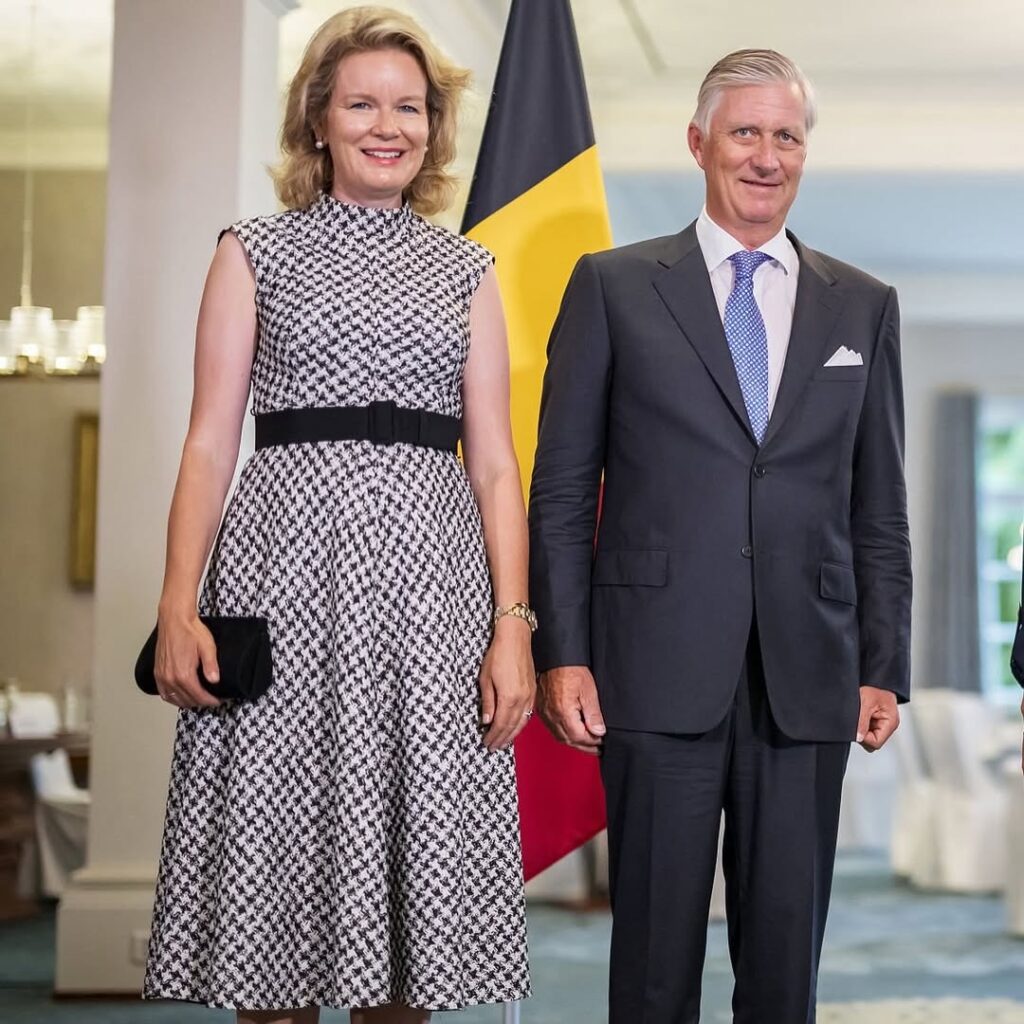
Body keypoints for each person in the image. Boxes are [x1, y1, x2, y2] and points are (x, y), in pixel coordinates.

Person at [142, 8, 533, 1023]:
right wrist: (178, 604)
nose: (387, 124)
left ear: (433, 128)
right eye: (362, 102)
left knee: (408, 916)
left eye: (409, 106)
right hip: (280, 580)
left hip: (429, 595)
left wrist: (513, 625)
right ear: (317, 117)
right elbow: (205, 443)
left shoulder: (468, 269)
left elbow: (493, 463)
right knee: (274, 876)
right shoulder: (252, 250)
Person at [529, 49, 912, 1023]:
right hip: (652, 667)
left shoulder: (861, 306)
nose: (767, 155)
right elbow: (566, 490)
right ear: (699, 143)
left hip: (809, 674)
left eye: (787, 136)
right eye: (746, 131)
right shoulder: (613, 286)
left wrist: (883, 659)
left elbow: (878, 502)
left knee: (785, 972)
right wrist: (561, 652)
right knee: (654, 969)